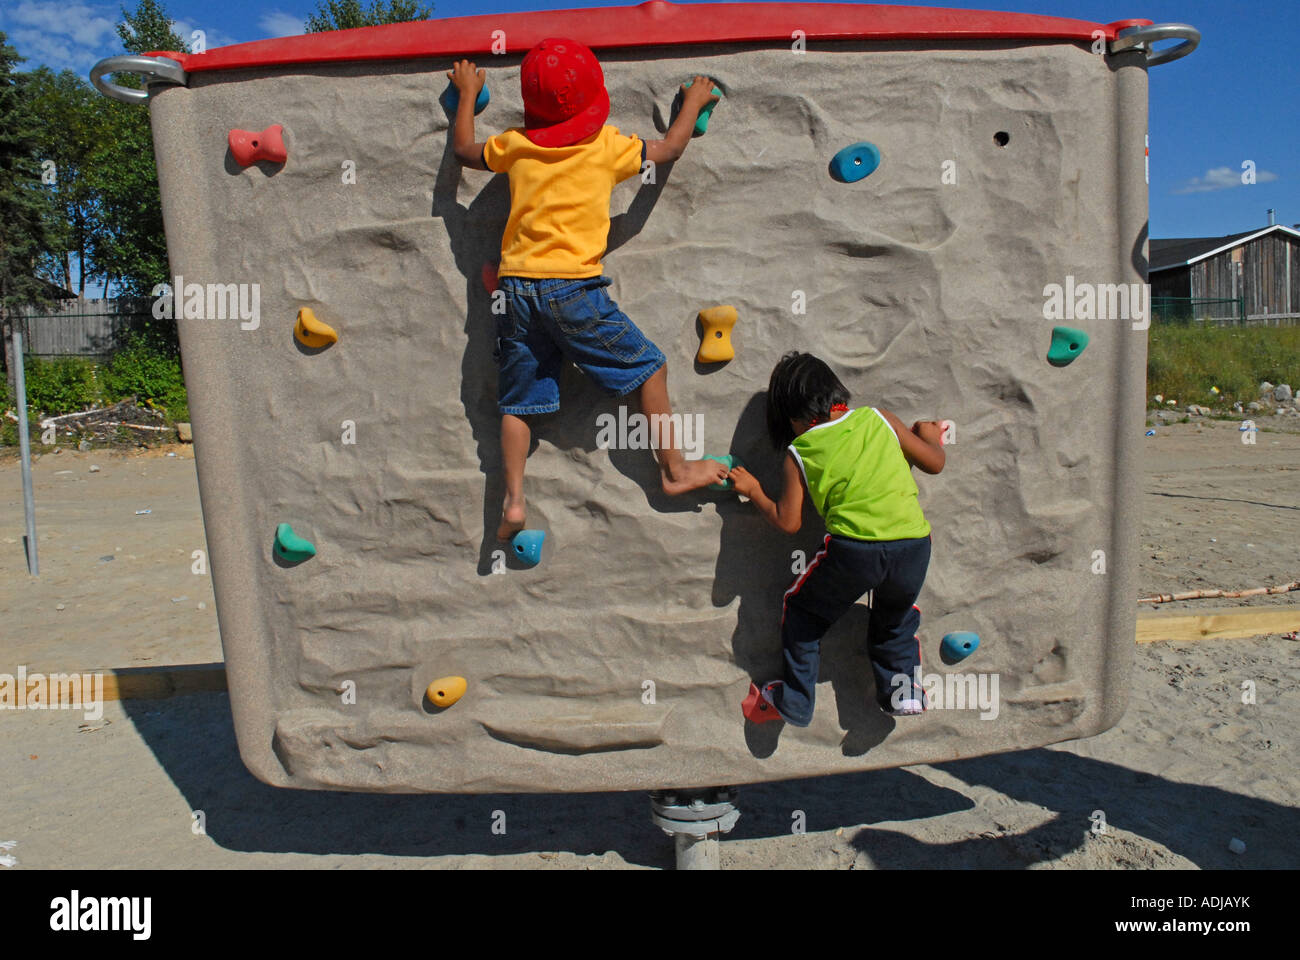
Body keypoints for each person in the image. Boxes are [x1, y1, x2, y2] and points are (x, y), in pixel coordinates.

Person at [447, 38, 728, 541]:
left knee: (517, 401)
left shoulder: (518, 144)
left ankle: (513, 500)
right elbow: (668, 151)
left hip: (515, 289)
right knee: (649, 367)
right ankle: (675, 470)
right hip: (572, 289)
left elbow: (466, 152)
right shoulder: (606, 146)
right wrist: (692, 103)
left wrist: (468, 94)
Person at [728, 352, 946, 724]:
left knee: (802, 613)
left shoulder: (800, 451)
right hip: (913, 545)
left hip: (853, 551)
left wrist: (753, 489)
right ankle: (902, 693)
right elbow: (935, 463)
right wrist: (929, 436)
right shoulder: (879, 418)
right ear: (835, 393)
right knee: (893, 622)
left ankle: (795, 701)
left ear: (791, 417)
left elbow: (788, 522)